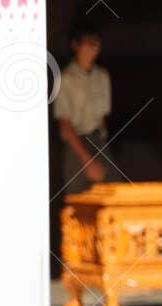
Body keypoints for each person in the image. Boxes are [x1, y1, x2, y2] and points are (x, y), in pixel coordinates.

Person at [54, 20, 118, 188]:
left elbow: (103, 115)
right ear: (75, 45)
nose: (93, 49)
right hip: (76, 144)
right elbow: (65, 124)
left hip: (99, 140)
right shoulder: (66, 79)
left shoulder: (102, 77)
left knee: (112, 190)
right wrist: (86, 160)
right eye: (88, 44)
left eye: (96, 44)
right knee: (77, 199)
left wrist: (102, 146)